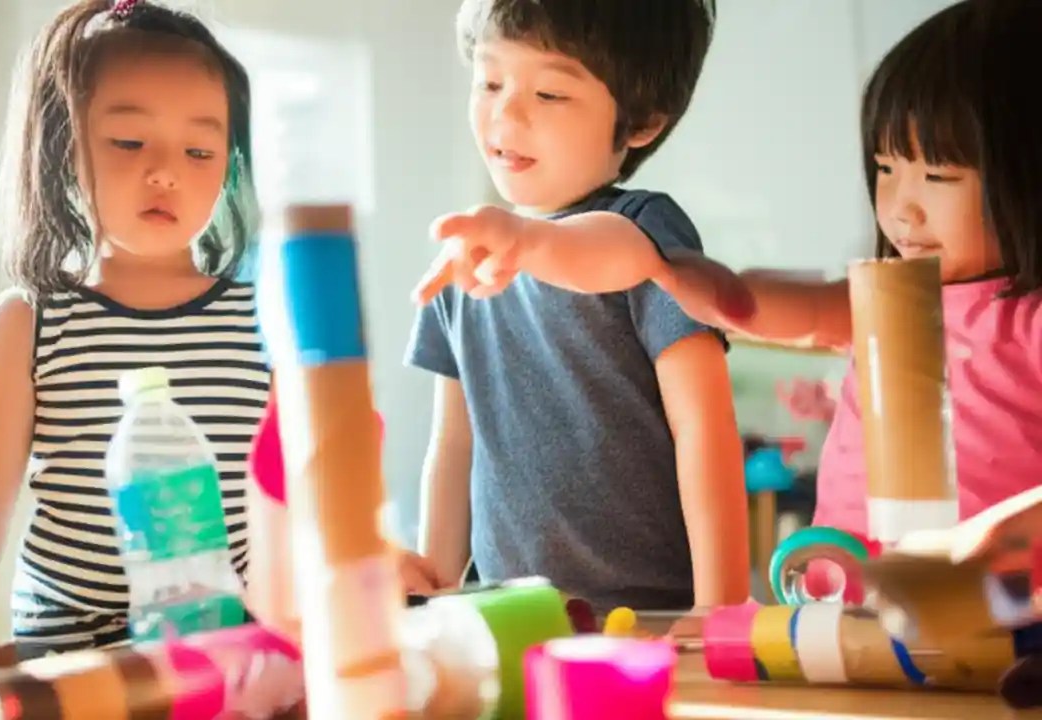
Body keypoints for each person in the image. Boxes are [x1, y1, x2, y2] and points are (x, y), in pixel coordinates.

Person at [604, 0, 1042, 561]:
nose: (901, 208)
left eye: (938, 176)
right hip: (847, 585)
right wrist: (689, 278)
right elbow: (791, 309)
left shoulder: (1027, 322)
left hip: (988, 597)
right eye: (886, 168)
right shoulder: (889, 298)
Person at [0, 0, 269, 684]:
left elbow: (296, 491)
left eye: (199, 151)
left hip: (224, 655)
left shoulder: (264, 318)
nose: (165, 171)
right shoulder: (28, 322)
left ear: (229, 163)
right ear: (62, 147)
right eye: (129, 142)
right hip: (67, 659)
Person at [405, 0, 751, 615]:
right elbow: (454, 445)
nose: (506, 112)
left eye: (549, 94)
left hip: (648, 618)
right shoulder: (468, 258)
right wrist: (432, 582)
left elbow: (705, 428)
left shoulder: (648, 233)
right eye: (490, 81)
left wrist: (717, 610)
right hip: (508, 618)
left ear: (640, 122)